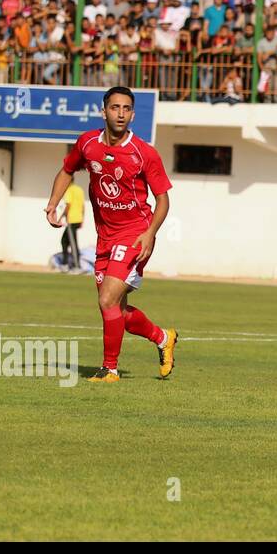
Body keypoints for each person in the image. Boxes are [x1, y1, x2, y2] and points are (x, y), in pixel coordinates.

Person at [43, 86, 177, 383]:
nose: (120, 113)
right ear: (104, 111)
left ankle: (110, 369)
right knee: (117, 309)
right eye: (115, 107)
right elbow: (67, 170)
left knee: (106, 301)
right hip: (105, 236)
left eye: (126, 108)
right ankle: (163, 337)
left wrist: (150, 233)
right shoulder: (88, 143)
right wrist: (53, 204)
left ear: (132, 114)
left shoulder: (144, 153)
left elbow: (163, 199)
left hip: (134, 235)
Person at [60, 175, 86, 272]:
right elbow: (83, 206)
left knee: (73, 243)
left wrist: (61, 218)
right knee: (64, 241)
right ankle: (65, 264)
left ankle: (77, 266)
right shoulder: (79, 190)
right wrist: (82, 219)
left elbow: (68, 205)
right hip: (78, 219)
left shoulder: (69, 190)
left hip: (71, 219)